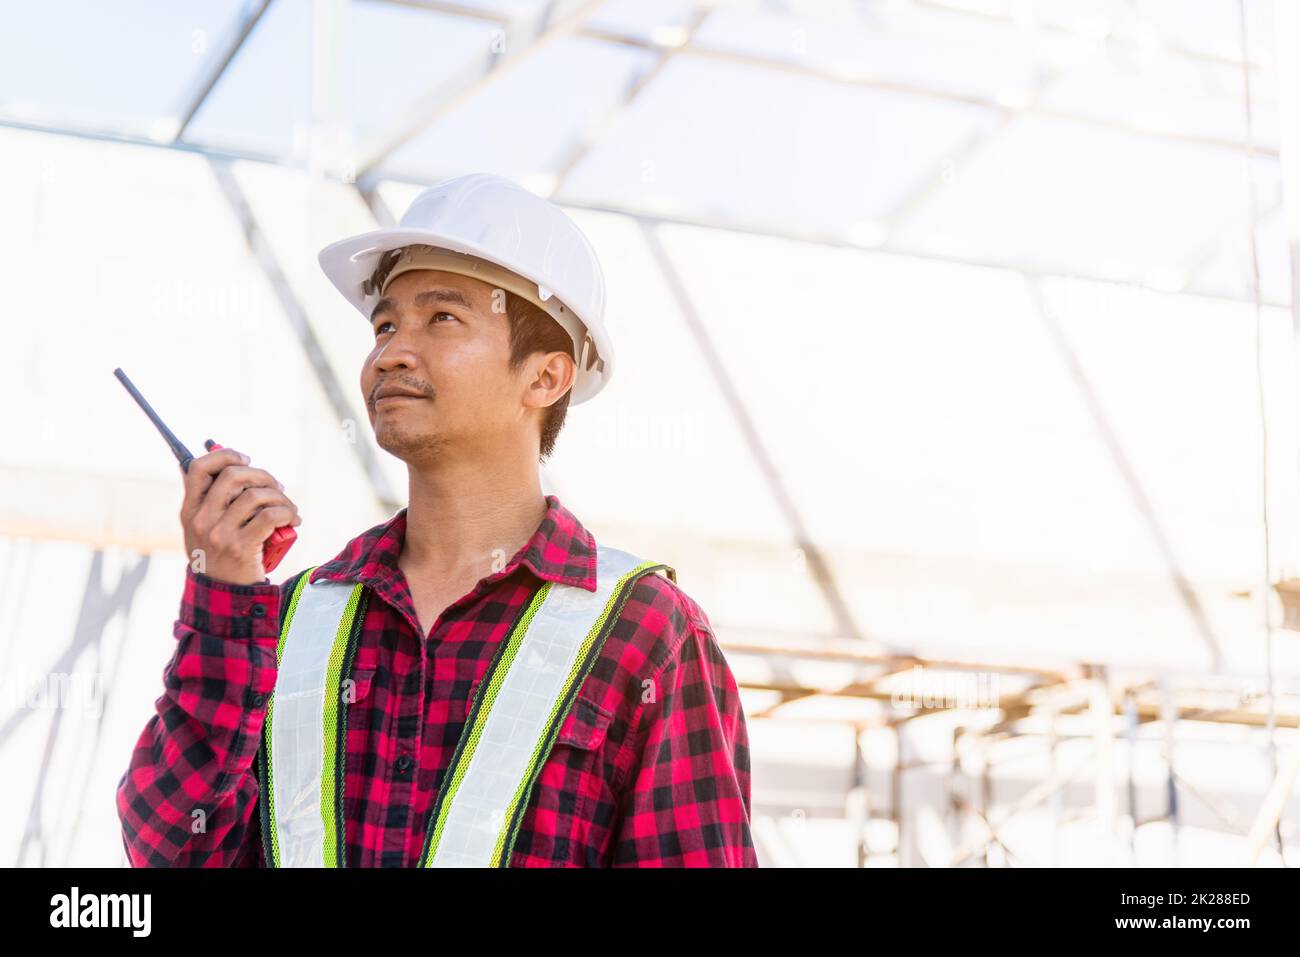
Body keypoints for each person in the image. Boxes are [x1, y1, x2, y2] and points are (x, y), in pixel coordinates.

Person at [116, 173, 757, 867]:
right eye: (385, 323)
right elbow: (175, 849)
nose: (390, 350)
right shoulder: (291, 620)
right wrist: (225, 600)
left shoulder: (648, 634)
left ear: (545, 378)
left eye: (442, 318)